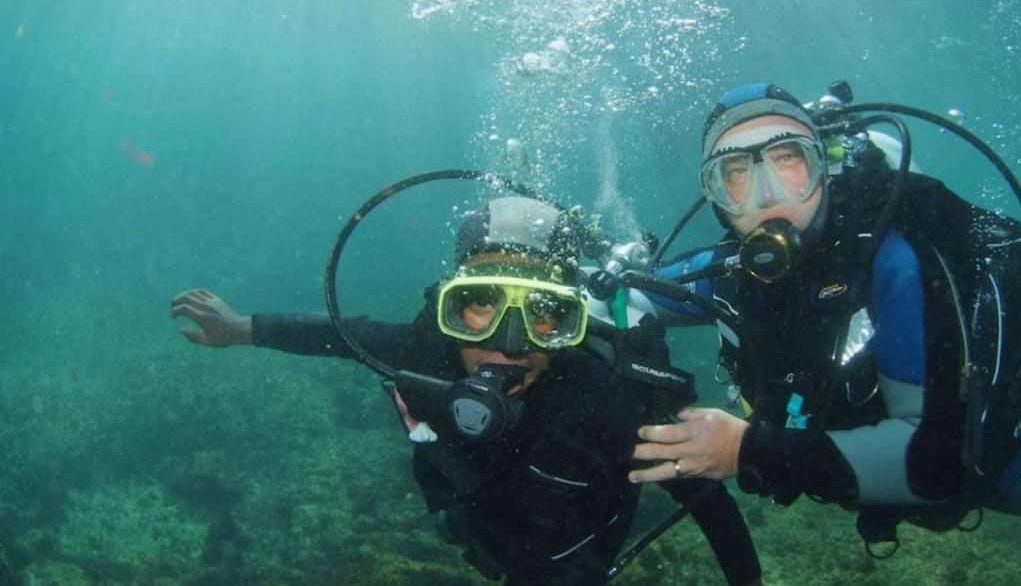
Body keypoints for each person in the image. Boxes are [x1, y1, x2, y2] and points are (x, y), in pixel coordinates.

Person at [627, 82, 1021, 551]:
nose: (767, 195)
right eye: (736, 173)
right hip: (838, 452)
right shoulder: (727, 268)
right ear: (715, 197)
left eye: (788, 159)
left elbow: (934, 464)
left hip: (951, 443)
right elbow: (630, 297)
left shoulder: (894, 263)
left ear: (823, 168)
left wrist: (746, 450)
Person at [171, 196, 762, 585]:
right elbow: (339, 334)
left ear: (572, 321)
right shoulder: (426, 349)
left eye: (544, 313)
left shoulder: (613, 399)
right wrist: (240, 328)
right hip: (473, 534)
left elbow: (709, 503)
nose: (509, 343)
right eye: (479, 305)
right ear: (449, 304)